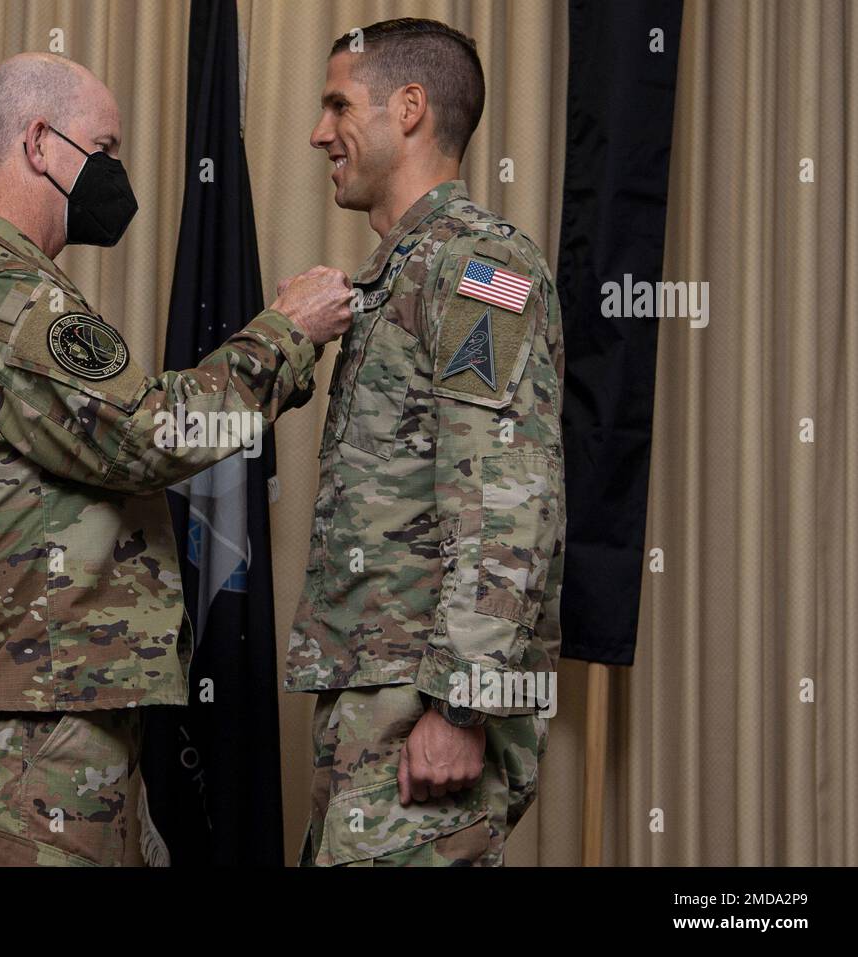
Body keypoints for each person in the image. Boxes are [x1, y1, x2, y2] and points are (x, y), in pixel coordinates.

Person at [0, 52, 352, 866]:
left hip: (45, 717)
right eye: (103, 148)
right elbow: (147, 432)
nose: (116, 175)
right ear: (39, 142)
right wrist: (287, 330)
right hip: (22, 735)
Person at [286, 18, 566, 866]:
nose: (318, 131)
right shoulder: (402, 270)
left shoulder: (479, 263)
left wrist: (462, 707)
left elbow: (511, 497)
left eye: (339, 104)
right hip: (374, 702)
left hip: (423, 708)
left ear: (408, 109)